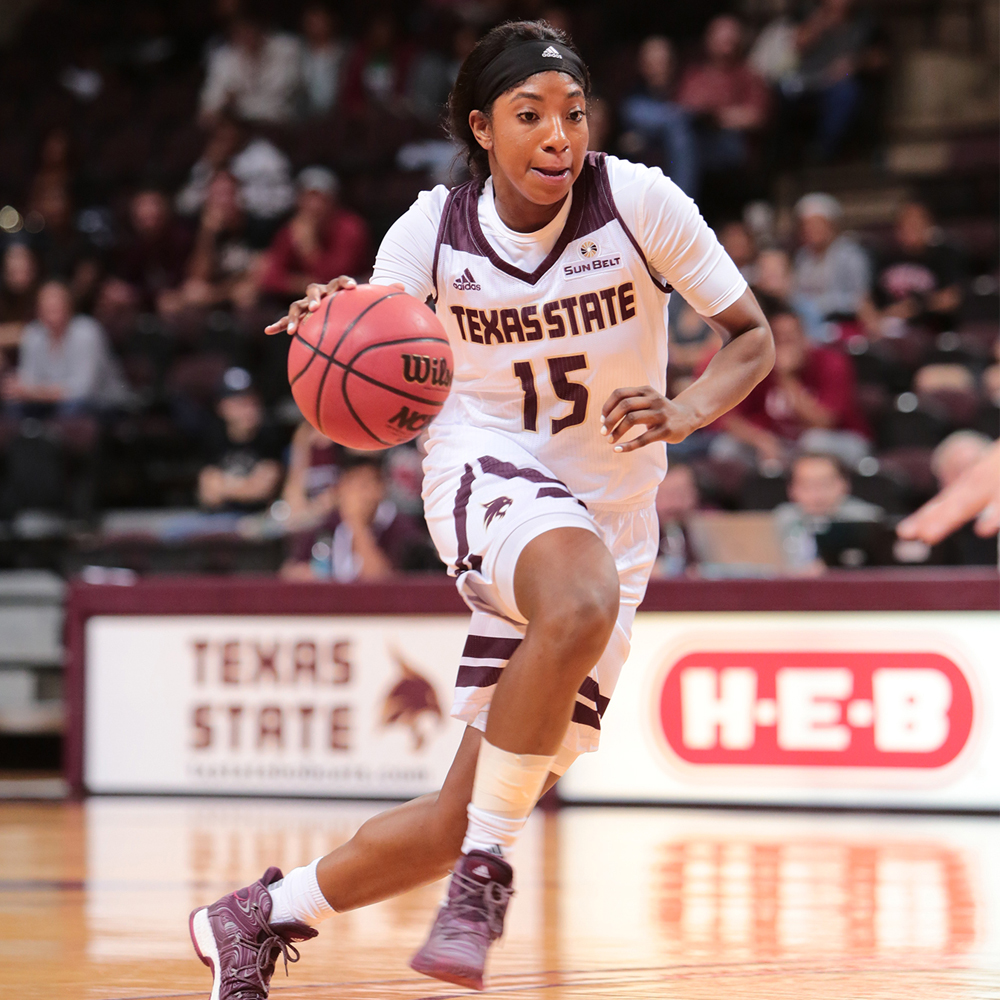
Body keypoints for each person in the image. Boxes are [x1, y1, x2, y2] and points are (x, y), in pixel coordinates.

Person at [190, 20, 774, 996]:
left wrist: (685, 409)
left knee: (464, 807)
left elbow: (750, 337)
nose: (559, 135)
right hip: (482, 469)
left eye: (574, 114)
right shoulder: (430, 230)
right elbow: (373, 333)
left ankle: (257, 915)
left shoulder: (638, 200)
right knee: (572, 604)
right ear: (480, 128)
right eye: (531, 115)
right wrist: (341, 317)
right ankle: (489, 877)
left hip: (615, 521)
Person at [717, 303, 868, 470]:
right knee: (725, 447)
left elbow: (824, 422)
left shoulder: (832, 363)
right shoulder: (760, 366)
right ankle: (760, 492)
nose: (785, 347)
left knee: (813, 442)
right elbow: (731, 420)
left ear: (805, 338)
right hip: (782, 443)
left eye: (790, 339)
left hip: (841, 440)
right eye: (779, 340)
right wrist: (760, 439)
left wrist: (786, 378)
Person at [282, 453, 433, 580]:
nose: (357, 496)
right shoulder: (328, 526)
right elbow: (290, 572)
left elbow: (381, 581)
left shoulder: (402, 529)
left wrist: (357, 524)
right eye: (350, 485)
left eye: (364, 485)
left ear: (381, 489)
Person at [2, 280, 132, 413]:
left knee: (72, 409)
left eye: (56, 306)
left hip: (102, 404)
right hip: (51, 403)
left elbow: (82, 391)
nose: (51, 311)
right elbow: (26, 381)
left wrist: (34, 392)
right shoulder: (33, 334)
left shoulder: (87, 331)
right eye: (45, 306)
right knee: (13, 407)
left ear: (69, 306)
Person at [259, 167, 371, 298]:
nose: (315, 205)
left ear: (334, 200)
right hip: (303, 298)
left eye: (321, 198)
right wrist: (303, 284)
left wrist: (309, 248)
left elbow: (334, 280)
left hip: (350, 297)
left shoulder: (351, 228)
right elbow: (269, 278)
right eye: (308, 198)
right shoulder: (292, 229)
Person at [860, 201, 964, 337]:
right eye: (905, 223)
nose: (910, 227)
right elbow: (866, 299)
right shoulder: (886, 257)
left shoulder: (945, 254)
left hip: (929, 330)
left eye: (916, 222)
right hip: (887, 328)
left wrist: (914, 308)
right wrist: (874, 320)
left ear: (929, 225)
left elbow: (951, 298)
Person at [774, 451, 883, 572]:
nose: (817, 495)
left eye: (825, 484)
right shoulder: (784, 518)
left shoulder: (866, 519)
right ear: (791, 489)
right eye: (807, 486)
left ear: (845, 484)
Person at [619, 36, 697, 196]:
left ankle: (679, 201)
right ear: (642, 65)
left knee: (681, 133)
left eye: (662, 62)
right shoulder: (633, 95)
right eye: (651, 63)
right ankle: (681, 200)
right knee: (677, 123)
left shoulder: (684, 87)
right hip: (644, 118)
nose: (657, 68)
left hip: (669, 143)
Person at [197, 368, 283, 511]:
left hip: (259, 520)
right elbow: (208, 493)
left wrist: (225, 486)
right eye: (239, 402)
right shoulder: (214, 436)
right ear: (221, 407)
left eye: (252, 401)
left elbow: (263, 489)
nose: (248, 409)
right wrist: (247, 485)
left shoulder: (270, 435)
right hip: (220, 519)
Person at [199, 9, 303, 126]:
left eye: (250, 30)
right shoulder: (224, 58)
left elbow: (285, 93)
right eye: (240, 32)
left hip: (279, 122)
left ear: (261, 29)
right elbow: (209, 105)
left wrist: (239, 99)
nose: (247, 36)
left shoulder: (287, 48)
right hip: (239, 125)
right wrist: (222, 103)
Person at [897, 438, 999, 545]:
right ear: (940, 476)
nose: (964, 477)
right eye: (956, 469)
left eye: (971, 467)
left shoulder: (993, 523)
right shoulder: (924, 520)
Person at [793, 192, 870, 321]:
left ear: (831, 225)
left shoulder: (850, 255)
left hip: (844, 320)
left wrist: (822, 304)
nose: (810, 230)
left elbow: (861, 299)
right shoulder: (802, 257)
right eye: (806, 225)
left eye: (817, 224)